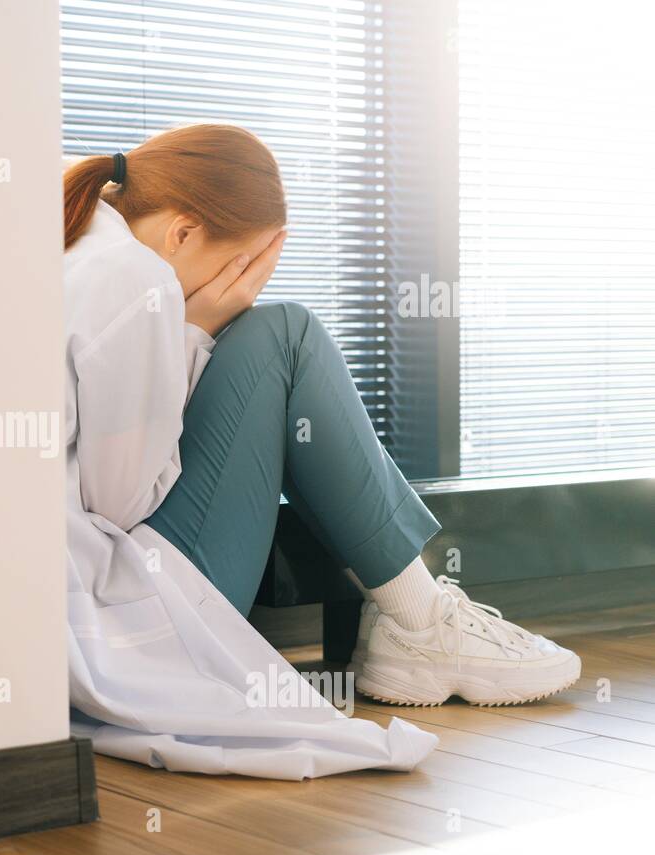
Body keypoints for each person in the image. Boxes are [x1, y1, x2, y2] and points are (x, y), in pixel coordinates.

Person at [62, 124, 580, 778]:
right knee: (287, 332)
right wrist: (197, 329)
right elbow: (118, 501)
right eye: (237, 268)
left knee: (279, 334)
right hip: (119, 602)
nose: (238, 289)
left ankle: (418, 623)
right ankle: (421, 623)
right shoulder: (132, 277)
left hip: (80, 579)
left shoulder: (76, 234)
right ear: (185, 233)